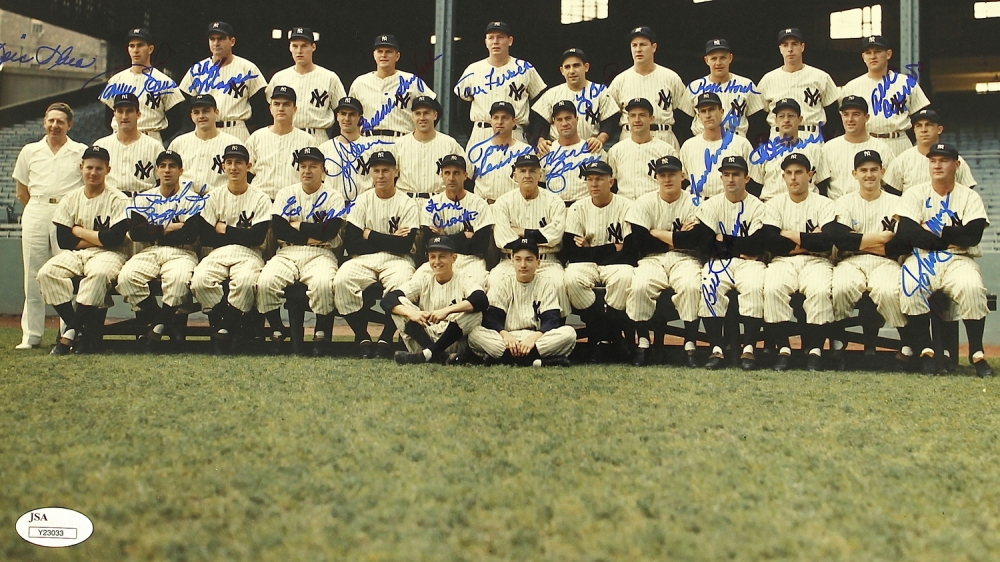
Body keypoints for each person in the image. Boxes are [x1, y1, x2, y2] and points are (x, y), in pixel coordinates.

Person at [896, 143, 992, 377]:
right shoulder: (915, 194)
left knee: (972, 288)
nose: (937, 165)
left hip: (959, 259)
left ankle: (977, 353)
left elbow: (972, 236)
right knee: (910, 287)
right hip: (922, 257)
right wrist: (949, 236)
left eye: (944, 160)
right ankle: (926, 351)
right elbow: (906, 233)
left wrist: (930, 230)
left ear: (956, 165)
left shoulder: (969, 196)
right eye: (933, 161)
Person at [256, 147, 348, 356]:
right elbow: (279, 229)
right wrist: (311, 234)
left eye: (313, 166)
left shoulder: (333, 196)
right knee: (265, 282)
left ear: (323, 170)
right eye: (303, 166)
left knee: (323, 284)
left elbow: (329, 231)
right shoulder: (286, 193)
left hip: (321, 254)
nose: (307, 171)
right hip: (287, 253)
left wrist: (298, 226)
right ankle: (277, 328)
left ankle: (320, 332)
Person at [37, 146, 129, 355]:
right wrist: (99, 238)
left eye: (99, 168)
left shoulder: (119, 199)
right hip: (78, 254)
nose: (93, 173)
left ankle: (69, 335)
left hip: (111, 255)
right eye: (89, 167)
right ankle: (80, 332)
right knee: (47, 273)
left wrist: (79, 231)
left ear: (108, 170)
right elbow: (64, 240)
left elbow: (115, 240)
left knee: (98, 275)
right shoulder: (71, 198)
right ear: (81, 167)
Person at [12, 102, 87, 350]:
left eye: (60, 122)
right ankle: (31, 335)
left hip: (66, 213)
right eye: (51, 120)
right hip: (36, 210)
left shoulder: (80, 151)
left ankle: (68, 332)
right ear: (44, 122)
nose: (55, 126)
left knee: (65, 274)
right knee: (32, 275)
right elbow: (21, 191)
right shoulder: (30, 151)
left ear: (69, 125)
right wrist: (38, 209)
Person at [333, 151, 419, 359]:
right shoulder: (362, 201)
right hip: (363, 259)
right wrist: (390, 239)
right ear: (371, 173)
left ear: (395, 172)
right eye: (376, 170)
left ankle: (386, 338)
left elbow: (404, 245)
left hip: (398, 260)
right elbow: (352, 243)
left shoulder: (407, 202)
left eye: (386, 170)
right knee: (342, 281)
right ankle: (362, 336)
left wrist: (369, 234)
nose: (381, 175)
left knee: (402, 284)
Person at [188, 144, 272, 355]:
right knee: (199, 281)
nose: (233, 167)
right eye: (229, 163)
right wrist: (242, 234)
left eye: (239, 162)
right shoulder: (213, 196)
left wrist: (225, 229)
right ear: (223, 166)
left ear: (248, 166)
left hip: (249, 254)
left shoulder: (260, 198)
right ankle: (228, 323)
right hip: (218, 252)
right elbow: (206, 237)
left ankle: (223, 328)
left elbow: (257, 237)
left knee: (245, 282)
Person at [116, 150, 204, 350]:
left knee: (178, 281)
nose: (167, 170)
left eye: (172, 166)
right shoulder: (144, 198)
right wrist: (167, 227)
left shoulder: (192, 199)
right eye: (162, 166)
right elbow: (136, 233)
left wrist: (152, 229)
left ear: (181, 171)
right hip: (150, 251)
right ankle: (165, 325)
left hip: (182, 252)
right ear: (156, 171)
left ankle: (157, 328)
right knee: (126, 278)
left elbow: (190, 234)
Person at [690, 155, 770, 370]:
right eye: (726, 174)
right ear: (721, 178)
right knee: (709, 283)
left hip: (750, 263)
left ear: (747, 178)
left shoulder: (758, 206)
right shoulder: (710, 205)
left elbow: (757, 245)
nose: (731, 179)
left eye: (736, 174)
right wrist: (740, 246)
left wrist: (722, 240)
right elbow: (705, 246)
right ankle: (716, 348)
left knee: (753, 287)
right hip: (719, 261)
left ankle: (749, 348)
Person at [828, 150, 906, 369]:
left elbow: (899, 244)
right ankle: (838, 344)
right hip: (851, 261)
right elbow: (842, 241)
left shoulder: (897, 202)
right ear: (854, 174)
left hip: (886, 263)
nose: (869, 174)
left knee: (888, 291)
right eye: (863, 170)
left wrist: (859, 239)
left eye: (874, 169)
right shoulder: (844, 202)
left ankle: (907, 344)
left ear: (882, 172)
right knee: (841, 287)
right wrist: (881, 238)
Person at [761, 153, 838, 372]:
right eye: (789, 173)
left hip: (817, 261)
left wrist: (788, 234)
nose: (794, 177)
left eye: (799, 172)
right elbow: (771, 241)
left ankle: (815, 350)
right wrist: (808, 240)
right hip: (783, 261)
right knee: (772, 289)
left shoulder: (825, 204)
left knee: (819, 292)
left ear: (810, 175)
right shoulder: (774, 204)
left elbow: (826, 241)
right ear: (783, 177)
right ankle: (784, 349)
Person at [625, 156, 702, 367]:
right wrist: (677, 239)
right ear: (656, 178)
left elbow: (695, 240)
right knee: (640, 286)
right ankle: (643, 343)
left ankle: (690, 344)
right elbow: (640, 242)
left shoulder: (694, 201)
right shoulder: (644, 202)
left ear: (682, 176)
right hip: (652, 259)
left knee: (691, 286)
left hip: (686, 258)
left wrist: (657, 232)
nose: (667, 179)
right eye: (663, 175)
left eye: (672, 174)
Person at [563, 161, 635, 364]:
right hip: (588, 265)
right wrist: (612, 248)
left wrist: (589, 250)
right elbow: (572, 254)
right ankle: (609, 333)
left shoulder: (627, 206)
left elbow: (630, 252)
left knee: (626, 277)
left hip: (617, 266)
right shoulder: (577, 208)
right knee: (571, 278)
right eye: (590, 179)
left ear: (611, 182)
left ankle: (599, 338)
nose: (594, 183)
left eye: (600, 179)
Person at [468, 238, 576, 366]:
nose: (523, 265)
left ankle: (505, 359)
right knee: (474, 334)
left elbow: (551, 320)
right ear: (512, 261)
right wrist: (505, 335)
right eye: (518, 259)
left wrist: (532, 339)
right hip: (508, 339)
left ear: (538, 262)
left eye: (529, 259)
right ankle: (536, 361)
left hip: (536, 339)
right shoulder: (503, 283)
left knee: (569, 333)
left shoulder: (546, 284)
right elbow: (491, 318)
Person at [382, 236, 489, 365]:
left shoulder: (463, 279)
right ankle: (438, 356)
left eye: (442, 256)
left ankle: (429, 355)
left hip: (452, 340)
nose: (437, 261)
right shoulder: (423, 280)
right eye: (432, 257)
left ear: (453, 258)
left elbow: (481, 300)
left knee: (475, 313)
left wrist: (446, 311)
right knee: (399, 305)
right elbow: (388, 300)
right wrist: (412, 313)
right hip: (424, 338)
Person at [489, 153, 568, 315]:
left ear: (540, 174)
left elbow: (554, 237)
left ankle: (555, 327)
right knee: (495, 280)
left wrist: (521, 232)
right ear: (515, 175)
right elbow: (503, 240)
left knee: (558, 283)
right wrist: (539, 235)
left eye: (532, 171)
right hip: (511, 261)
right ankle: (499, 326)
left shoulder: (555, 201)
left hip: (547, 262)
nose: (527, 175)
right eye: (522, 171)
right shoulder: (503, 202)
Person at [454, 21, 546, 146]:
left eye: (500, 37)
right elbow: (462, 108)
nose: (495, 42)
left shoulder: (525, 68)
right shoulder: (472, 70)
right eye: (491, 38)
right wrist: (474, 133)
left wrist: (534, 135)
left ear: (510, 41)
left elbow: (541, 105)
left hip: (515, 133)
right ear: (486, 42)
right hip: (481, 133)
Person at [840, 35, 931, 157]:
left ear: (888, 54)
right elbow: (844, 122)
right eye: (868, 53)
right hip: (867, 142)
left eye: (878, 51)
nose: (873, 56)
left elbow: (923, 118)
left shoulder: (906, 82)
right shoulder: (851, 87)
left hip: (899, 141)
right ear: (863, 57)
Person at [179, 21, 267, 142]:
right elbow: (185, 106)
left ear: (232, 41)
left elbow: (261, 108)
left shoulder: (248, 68)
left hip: (235, 129)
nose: (216, 43)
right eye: (212, 39)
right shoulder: (197, 69)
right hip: (204, 131)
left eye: (221, 38)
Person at [418, 154, 494, 286]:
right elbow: (428, 242)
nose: (451, 178)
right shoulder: (431, 204)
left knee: (479, 283)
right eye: (447, 173)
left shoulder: (479, 204)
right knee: (418, 280)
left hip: (471, 261)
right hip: (439, 260)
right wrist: (463, 236)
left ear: (465, 175)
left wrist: (443, 238)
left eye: (456, 173)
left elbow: (480, 245)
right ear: (441, 175)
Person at [607, 26, 688, 150]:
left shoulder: (671, 77)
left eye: (643, 45)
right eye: (634, 45)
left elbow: (684, 115)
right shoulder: (620, 81)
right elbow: (610, 118)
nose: (638, 49)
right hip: (630, 139)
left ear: (654, 47)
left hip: (663, 136)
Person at [99, 28, 183, 143]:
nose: (135, 50)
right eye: (132, 46)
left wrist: (155, 139)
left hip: (150, 138)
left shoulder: (165, 82)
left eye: (140, 45)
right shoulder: (115, 80)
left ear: (150, 49)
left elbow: (176, 122)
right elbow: (107, 119)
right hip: (120, 140)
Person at [266, 27, 347, 145]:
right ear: (289, 47)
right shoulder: (279, 78)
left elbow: (344, 111)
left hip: (317, 136)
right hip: (287, 135)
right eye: (295, 46)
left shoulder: (330, 77)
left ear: (313, 47)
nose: (299, 51)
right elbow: (271, 108)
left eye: (304, 46)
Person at [349, 34, 436, 143]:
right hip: (368, 141)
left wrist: (421, 135)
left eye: (388, 51)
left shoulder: (412, 81)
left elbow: (435, 108)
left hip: (402, 140)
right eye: (379, 51)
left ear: (397, 56)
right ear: (374, 55)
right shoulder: (359, 83)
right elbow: (350, 114)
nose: (383, 55)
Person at [531, 48, 617, 155]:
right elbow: (540, 122)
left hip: (591, 149)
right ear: (562, 71)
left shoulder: (600, 91)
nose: (571, 71)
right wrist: (540, 140)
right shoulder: (551, 94)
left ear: (586, 67)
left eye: (576, 65)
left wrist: (600, 139)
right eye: (567, 67)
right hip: (559, 153)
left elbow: (611, 121)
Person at [757, 28, 839, 137]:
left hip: (811, 136)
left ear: (802, 47)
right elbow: (758, 117)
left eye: (794, 44)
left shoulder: (821, 76)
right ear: (780, 49)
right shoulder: (768, 79)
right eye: (785, 45)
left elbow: (833, 114)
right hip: (778, 137)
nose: (790, 49)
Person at [679, 92, 754, 203]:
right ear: (698, 116)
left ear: (721, 111)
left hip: (731, 203)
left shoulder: (741, 143)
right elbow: (682, 180)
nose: (708, 115)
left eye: (711, 109)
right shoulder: (688, 146)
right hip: (698, 204)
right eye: (703, 111)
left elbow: (753, 180)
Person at [681, 39, 765, 138]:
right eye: (714, 58)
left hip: (737, 139)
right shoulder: (694, 87)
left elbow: (757, 123)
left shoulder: (747, 85)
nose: (718, 63)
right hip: (703, 140)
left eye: (722, 58)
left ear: (730, 58)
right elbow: (683, 123)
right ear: (706, 60)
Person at [750, 98, 829, 201]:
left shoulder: (815, 150)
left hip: (806, 205)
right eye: (781, 116)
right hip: (771, 204)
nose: (786, 120)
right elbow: (755, 187)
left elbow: (822, 184)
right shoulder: (763, 152)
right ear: (775, 120)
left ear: (800, 119)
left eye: (791, 116)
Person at [883, 109, 977, 193]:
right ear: (914, 130)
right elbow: (892, 197)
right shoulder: (901, 161)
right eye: (919, 126)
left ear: (939, 129)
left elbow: (967, 193)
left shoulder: (954, 160)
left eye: (929, 125)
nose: (923, 130)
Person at [244, 85, 313, 200]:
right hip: (261, 200)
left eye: (286, 104)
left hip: (294, 201)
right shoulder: (256, 137)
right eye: (276, 104)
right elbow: (245, 172)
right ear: (270, 108)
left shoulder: (308, 140)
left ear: (294, 109)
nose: (281, 108)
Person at [821, 96, 894, 200]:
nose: (850, 119)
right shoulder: (828, 148)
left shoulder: (882, 148)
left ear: (866, 117)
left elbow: (890, 186)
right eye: (846, 114)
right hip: (836, 205)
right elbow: (822, 187)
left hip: (873, 204)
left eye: (856, 114)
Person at [606, 97, 679, 200]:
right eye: (633, 115)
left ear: (651, 119)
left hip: (655, 205)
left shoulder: (666, 150)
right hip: (626, 204)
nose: (637, 120)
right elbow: (610, 184)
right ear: (628, 119)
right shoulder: (615, 151)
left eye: (642, 115)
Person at [393, 96, 466, 198]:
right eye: (418, 113)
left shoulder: (449, 143)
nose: (422, 118)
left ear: (435, 115)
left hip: (439, 201)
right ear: (412, 116)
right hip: (407, 201)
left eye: (426, 113)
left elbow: (465, 173)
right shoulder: (399, 144)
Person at [167, 94, 241, 193]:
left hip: (219, 198)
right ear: (191, 116)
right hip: (184, 198)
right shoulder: (178, 143)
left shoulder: (233, 143)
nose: (201, 116)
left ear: (216, 112)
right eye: (196, 112)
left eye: (206, 111)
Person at [319, 97, 389, 202]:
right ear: (337, 116)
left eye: (352, 114)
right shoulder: (323, 149)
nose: (347, 118)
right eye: (343, 114)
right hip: (333, 205)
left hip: (364, 204)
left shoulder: (373, 148)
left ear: (360, 118)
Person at [93, 93, 163, 194]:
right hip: (110, 199)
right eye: (120, 111)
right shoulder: (101, 145)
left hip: (144, 199)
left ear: (138, 114)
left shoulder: (155, 147)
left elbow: (163, 183)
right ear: (114, 114)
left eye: (129, 111)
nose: (124, 116)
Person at [466, 101, 534, 203]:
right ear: (491, 121)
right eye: (495, 117)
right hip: (484, 206)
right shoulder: (476, 150)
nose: (500, 122)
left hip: (514, 206)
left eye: (505, 118)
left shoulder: (526, 151)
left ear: (514, 121)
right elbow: (466, 182)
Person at [540, 100, 606, 204]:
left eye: (568, 118)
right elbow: (540, 186)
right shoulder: (546, 150)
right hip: (555, 207)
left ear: (577, 119)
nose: (564, 123)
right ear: (554, 122)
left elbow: (605, 185)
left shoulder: (593, 148)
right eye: (559, 119)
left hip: (585, 206)